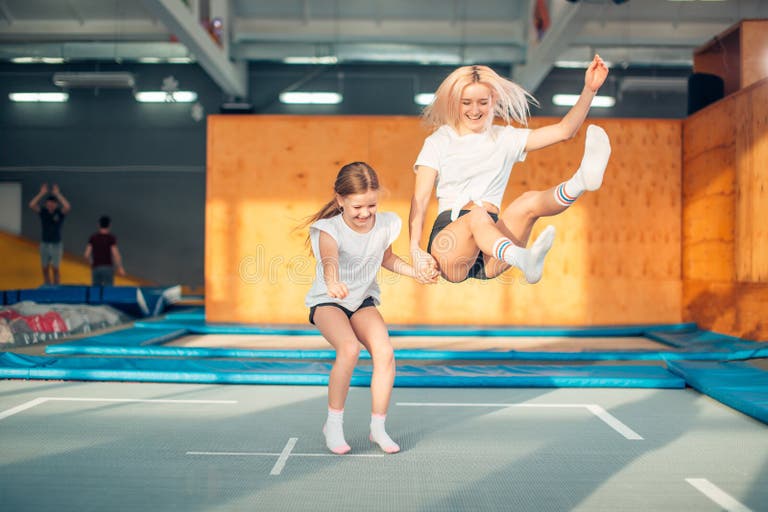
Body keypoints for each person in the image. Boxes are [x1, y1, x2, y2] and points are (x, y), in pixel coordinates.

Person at [409, 55, 612, 284]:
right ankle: (523, 258)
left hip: (492, 248)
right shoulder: (439, 141)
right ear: (455, 102)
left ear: (493, 100)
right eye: (466, 102)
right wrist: (415, 249)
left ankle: (580, 181)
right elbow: (421, 198)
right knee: (477, 214)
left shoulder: (505, 138)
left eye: (482, 102)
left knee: (528, 202)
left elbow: (564, 131)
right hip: (450, 245)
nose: (474, 110)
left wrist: (590, 89)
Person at [304, 162, 435, 455]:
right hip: (328, 300)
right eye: (356, 207)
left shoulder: (387, 224)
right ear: (340, 200)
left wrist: (416, 272)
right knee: (349, 349)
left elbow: (387, 258)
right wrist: (333, 281)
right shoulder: (329, 229)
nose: (365, 213)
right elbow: (329, 260)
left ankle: (378, 428)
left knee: (385, 352)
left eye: (371, 205)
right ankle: (334, 425)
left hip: (361, 300)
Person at [28, 183, 71, 285]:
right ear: (46, 204)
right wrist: (41, 193)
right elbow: (31, 205)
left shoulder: (59, 213)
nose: (50, 205)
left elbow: (67, 206)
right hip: (45, 243)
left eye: (52, 203)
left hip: (56, 244)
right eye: (48, 203)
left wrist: (57, 194)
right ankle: (47, 285)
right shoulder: (43, 212)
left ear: (56, 204)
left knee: (55, 268)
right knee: (45, 268)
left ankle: (56, 286)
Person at [84, 215, 126, 286]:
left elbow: (86, 255)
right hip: (108, 268)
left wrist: (92, 263)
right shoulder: (111, 238)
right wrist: (120, 267)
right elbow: (115, 254)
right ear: (109, 225)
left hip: (96, 267)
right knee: (108, 291)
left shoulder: (93, 237)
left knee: (96, 291)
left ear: (99, 224)